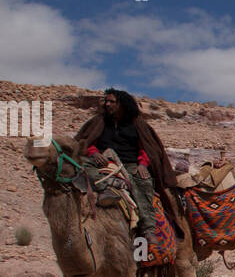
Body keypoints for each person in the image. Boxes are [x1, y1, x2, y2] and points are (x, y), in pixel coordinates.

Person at [74, 89, 182, 239]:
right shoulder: (100, 121)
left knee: (143, 182)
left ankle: (149, 227)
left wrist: (143, 165)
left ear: (122, 104)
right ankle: (103, 189)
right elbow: (86, 142)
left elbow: (148, 149)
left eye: (112, 101)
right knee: (79, 166)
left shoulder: (138, 125)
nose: (107, 104)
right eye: (106, 101)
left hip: (130, 164)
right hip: (102, 161)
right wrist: (94, 153)